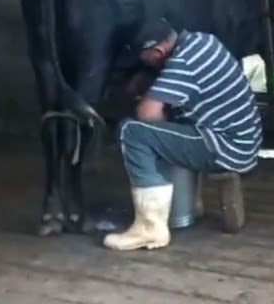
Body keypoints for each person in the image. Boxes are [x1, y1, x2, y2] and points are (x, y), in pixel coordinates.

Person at [103, 18, 262, 251]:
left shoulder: (183, 62)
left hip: (227, 148)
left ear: (158, 51)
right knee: (167, 123)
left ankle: (150, 228)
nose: (141, 64)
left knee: (132, 131)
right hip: (243, 140)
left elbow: (148, 113)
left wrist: (150, 106)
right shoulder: (203, 41)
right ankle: (165, 214)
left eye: (142, 59)